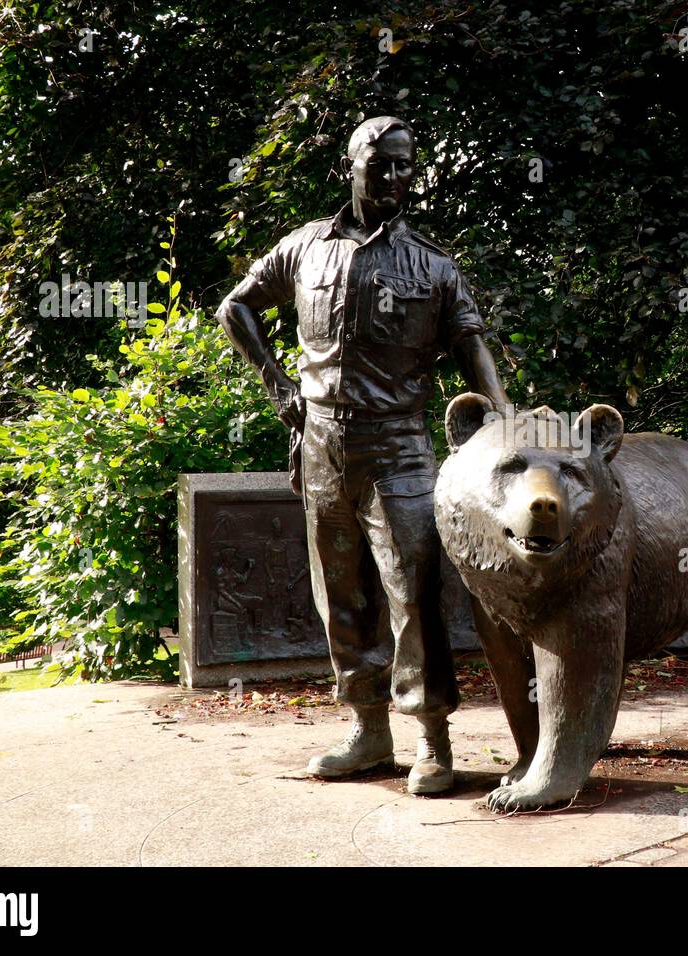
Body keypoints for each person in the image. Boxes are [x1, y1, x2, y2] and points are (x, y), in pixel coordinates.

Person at [215, 116, 508, 795]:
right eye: (383, 166)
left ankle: (432, 738)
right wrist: (277, 384)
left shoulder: (433, 265)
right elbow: (238, 308)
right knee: (340, 596)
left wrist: (499, 417)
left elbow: (470, 343)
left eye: (407, 167)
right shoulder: (304, 248)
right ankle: (369, 732)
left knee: (413, 596)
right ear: (350, 166)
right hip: (320, 444)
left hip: (398, 445)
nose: (397, 179)